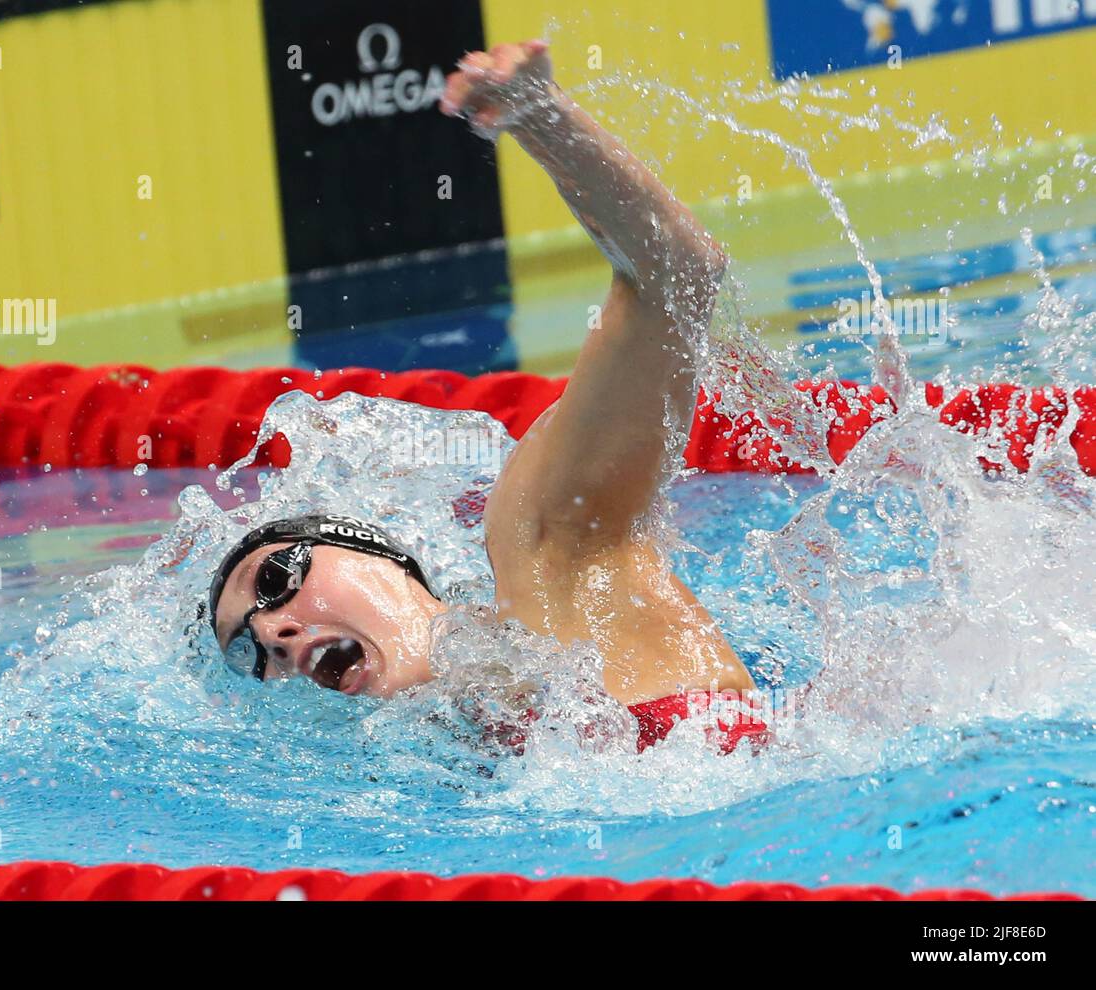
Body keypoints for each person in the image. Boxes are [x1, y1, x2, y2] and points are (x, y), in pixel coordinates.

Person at [206, 40, 767, 754]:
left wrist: (541, 119)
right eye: (244, 653)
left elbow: (677, 276)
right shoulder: (443, 770)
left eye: (279, 579)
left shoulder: (544, 551)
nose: (271, 634)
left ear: (380, 556)